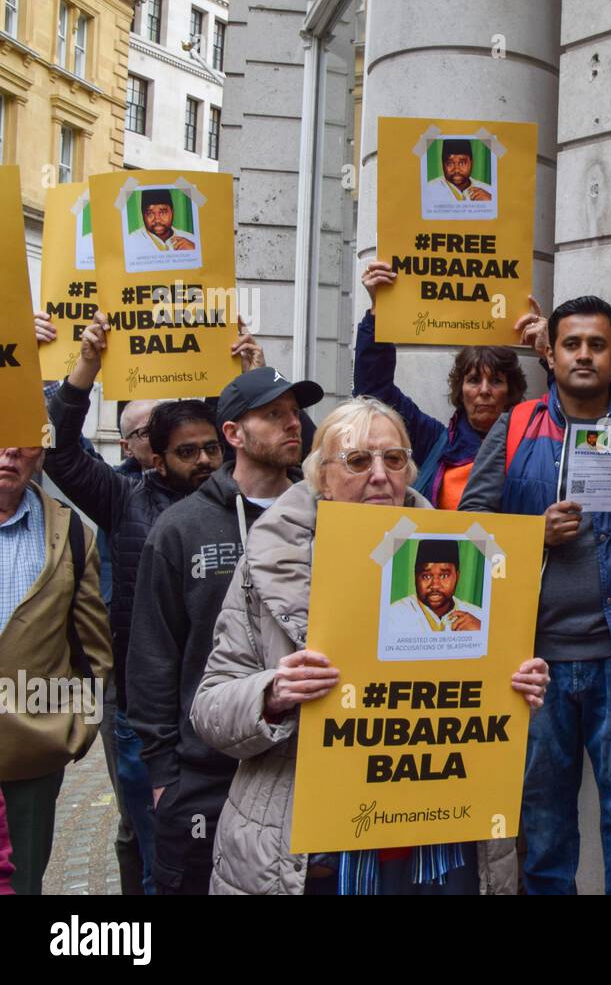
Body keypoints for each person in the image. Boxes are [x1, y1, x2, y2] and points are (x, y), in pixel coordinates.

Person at [190, 396, 549, 895]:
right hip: (314, 856)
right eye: (357, 461)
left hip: (444, 850)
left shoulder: (474, 557)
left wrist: (518, 687)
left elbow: (491, 702)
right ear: (322, 480)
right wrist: (272, 694)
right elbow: (210, 707)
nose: (379, 475)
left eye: (394, 459)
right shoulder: (267, 566)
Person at [459, 295, 611, 895]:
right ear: (550, 352)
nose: (584, 355)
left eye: (597, 345)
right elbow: (468, 527)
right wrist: (530, 535)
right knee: (542, 820)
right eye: (572, 344)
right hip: (534, 660)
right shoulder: (516, 425)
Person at [41, 311, 261, 894]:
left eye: (212, 447)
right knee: (153, 836)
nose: (205, 461)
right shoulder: (124, 498)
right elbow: (60, 452)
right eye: (187, 452)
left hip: (229, 696)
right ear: (155, 459)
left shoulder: (250, 505)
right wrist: (85, 366)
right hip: (148, 711)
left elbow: (301, 456)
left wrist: (252, 375)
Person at [127, 367, 322, 895]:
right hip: (205, 773)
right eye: (273, 414)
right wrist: (165, 775)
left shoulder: (324, 518)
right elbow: (152, 655)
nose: (292, 425)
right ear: (233, 434)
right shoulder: (181, 527)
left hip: (297, 767)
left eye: (293, 413)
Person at [0, 443, 113, 894]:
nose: (8, 454)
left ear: (41, 452)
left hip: (30, 752)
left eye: (21, 443)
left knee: (21, 883)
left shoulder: (68, 532)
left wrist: (77, 725)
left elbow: (92, 649)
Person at [354, 260, 529, 508]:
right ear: (460, 390)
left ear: (511, 391)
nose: (484, 390)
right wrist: (379, 312)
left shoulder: (532, 446)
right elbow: (374, 393)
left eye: (497, 381)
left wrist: (549, 353)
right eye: (474, 380)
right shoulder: (435, 441)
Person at [389, 539, 483, 633]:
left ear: (457, 576)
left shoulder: (478, 616)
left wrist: (482, 631)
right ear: (415, 576)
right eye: (426, 576)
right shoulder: (394, 616)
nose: (435, 585)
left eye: (444, 576)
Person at [427, 139, 494, 203]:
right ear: (442, 165)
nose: (456, 169)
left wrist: (491, 201)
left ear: (472, 163)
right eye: (450, 163)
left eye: (462, 163)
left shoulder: (488, 191)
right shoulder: (429, 190)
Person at [129, 188, 196, 252]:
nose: (157, 220)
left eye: (162, 213)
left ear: (172, 212)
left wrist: (195, 250)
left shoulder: (191, 240)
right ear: (143, 215)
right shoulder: (131, 242)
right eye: (150, 214)